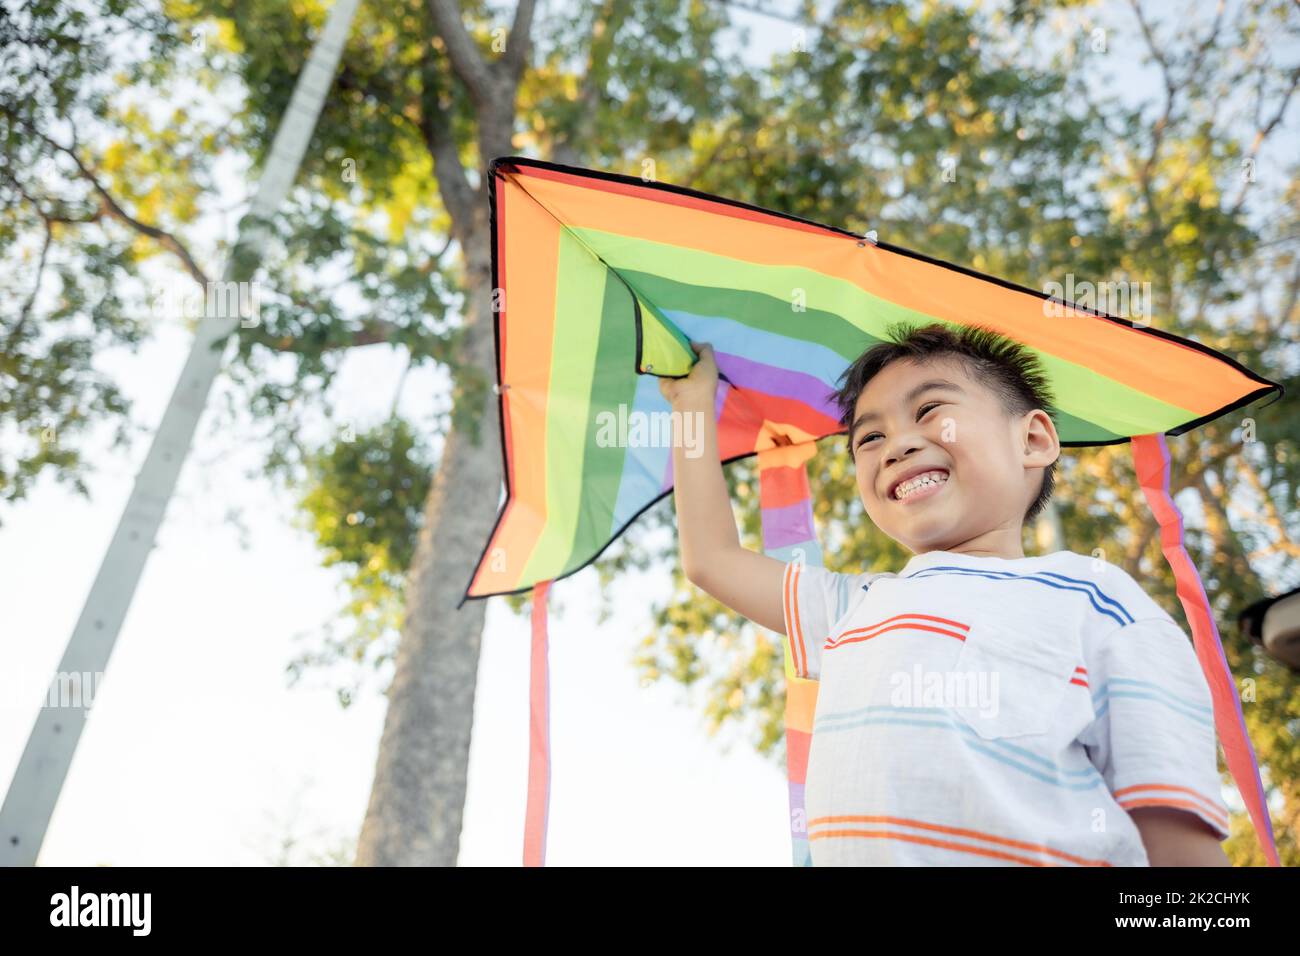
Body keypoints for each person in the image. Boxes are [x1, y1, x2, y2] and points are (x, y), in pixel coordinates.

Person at [661, 320, 1232, 866]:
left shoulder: (1096, 599)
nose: (896, 446)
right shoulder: (853, 608)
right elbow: (711, 559)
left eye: (930, 411)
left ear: (1032, 439)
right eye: (871, 438)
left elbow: (1178, 840)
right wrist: (692, 410)